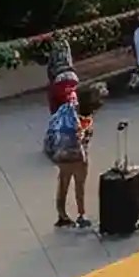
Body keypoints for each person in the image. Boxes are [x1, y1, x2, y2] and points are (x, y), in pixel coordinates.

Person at [54, 83, 104, 229]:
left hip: (65, 155)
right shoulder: (83, 118)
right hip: (77, 156)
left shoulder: (71, 112)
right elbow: (83, 137)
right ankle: (81, 214)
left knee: (64, 184)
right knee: (78, 186)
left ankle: (62, 215)